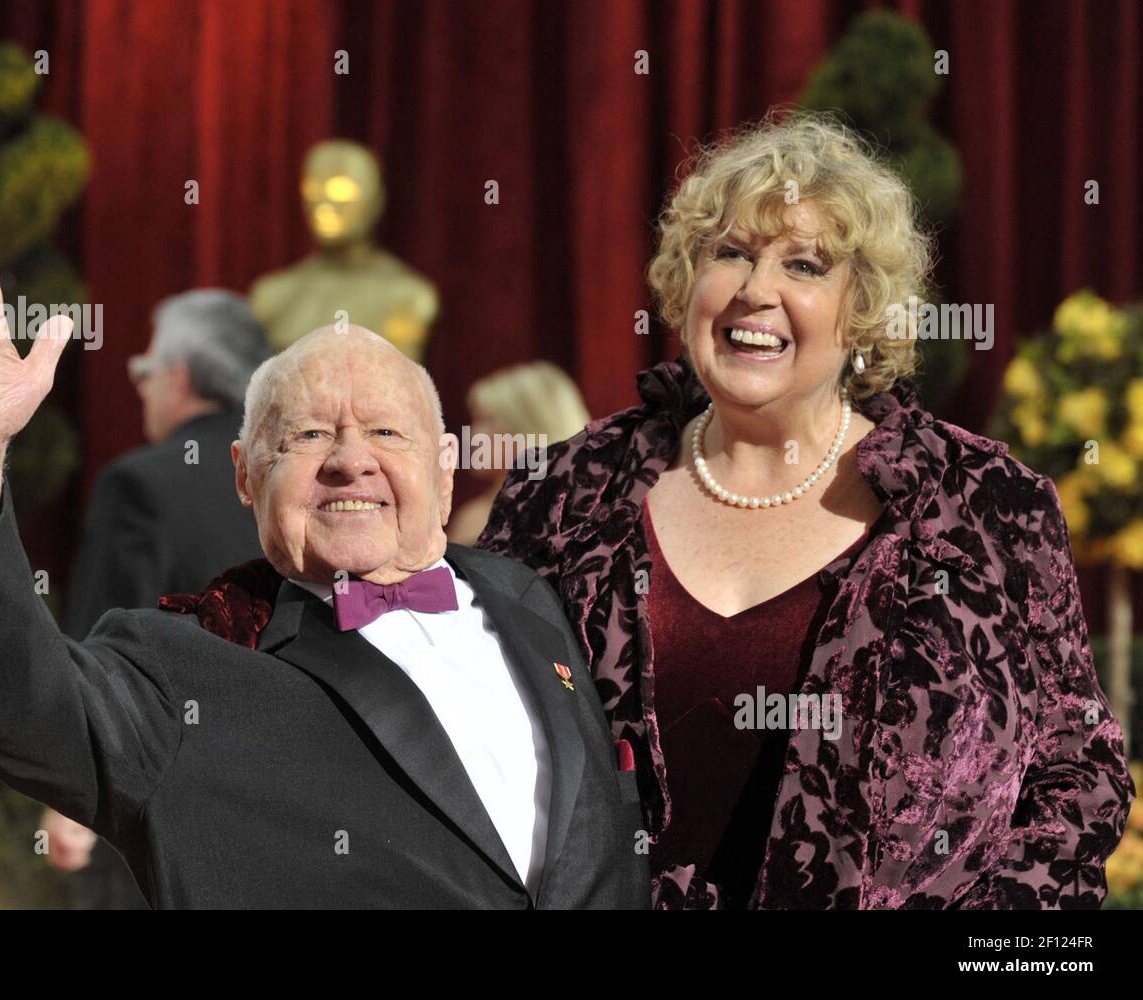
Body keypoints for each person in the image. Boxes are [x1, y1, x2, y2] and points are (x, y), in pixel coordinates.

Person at [479, 112, 1135, 909]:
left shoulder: (986, 505)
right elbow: (473, 738)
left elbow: (1076, 779)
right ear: (687, 279)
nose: (757, 291)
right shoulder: (563, 490)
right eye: (731, 253)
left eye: (805, 264)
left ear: (861, 310)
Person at [0, 231, 649, 908]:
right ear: (246, 474)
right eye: (310, 434)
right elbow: (3, 697)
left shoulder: (535, 600)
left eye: (387, 430)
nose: (351, 461)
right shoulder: (186, 664)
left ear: (447, 469)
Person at [43, 289, 271, 909]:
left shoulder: (141, 484)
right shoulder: (296, 477)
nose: (139, 387)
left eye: (143, 372)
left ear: (179, 377)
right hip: (285, 796)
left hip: (160, 800)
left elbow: (101, 650)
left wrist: (70, 794)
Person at [447, 361, 589, 545]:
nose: (474, 433)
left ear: (529, 428)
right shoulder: (474, 517)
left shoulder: (576, 515)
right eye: (475, 420)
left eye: (487, 420)